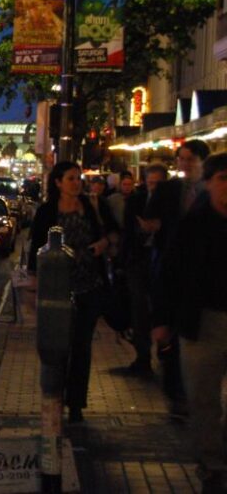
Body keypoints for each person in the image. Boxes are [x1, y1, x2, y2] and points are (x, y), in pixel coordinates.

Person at [151, 152, 227, 492]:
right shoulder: (193, 225)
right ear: (208, 184)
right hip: (202, 322)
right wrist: (162, 320)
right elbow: (169, 274)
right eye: (222, 179)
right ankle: (212, 463)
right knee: (203, 397)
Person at [29, 161, 119, 424]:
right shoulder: (47, 211)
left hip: (89, 285)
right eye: (71, 178)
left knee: (82, 345)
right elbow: (36, 248)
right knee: (57, 346)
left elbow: (112, 233)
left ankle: (76, 403)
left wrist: (103, 243)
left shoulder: (91, 206)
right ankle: (54, 397)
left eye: (78, 178)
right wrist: (33, 284)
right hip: (57, 289)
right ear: (58, 182)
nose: (76, 183)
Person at [143, 139, 211, 416]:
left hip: (204, 274)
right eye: (181, 159)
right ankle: (175, 390)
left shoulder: (212, 190)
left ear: (202, 161)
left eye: (190, 159)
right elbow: (149, 219)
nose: (184, 164)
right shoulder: (169, 189)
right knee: (171, 332)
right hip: (171, 266)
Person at [119, 164, 168, 375]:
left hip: (163, 261)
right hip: (139, 260)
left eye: (158, 184)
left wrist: (160, 228)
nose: (153, 187)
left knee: (162, 308)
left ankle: (165, 355)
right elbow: (127, 232)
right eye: (150, 183)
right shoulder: (136, 201)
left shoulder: (172, 203)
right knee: (139, 309)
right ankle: (142, 357)